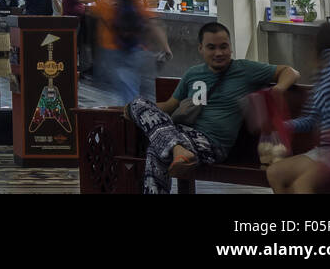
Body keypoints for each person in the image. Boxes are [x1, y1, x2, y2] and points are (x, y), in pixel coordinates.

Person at [126, 21, 298, 194]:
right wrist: (140, 110)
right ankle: (177, 148)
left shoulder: (245, 70)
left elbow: (290, 71)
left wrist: (278, 89)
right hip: (181, 134)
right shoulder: (193, 73)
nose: (219, 53)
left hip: (212, 144)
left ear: (231, 48)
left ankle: (175, 148)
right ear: (201, 49)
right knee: (137, 103)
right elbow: (170, 106)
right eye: (211, 47)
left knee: (157, 149)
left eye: (224, 47)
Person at [269, 22, 330, 194]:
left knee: (301, 185)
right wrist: (283, 126)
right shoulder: (319, 76)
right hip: (326, 150)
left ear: (315, 45)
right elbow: (311, 119)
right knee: (274, 173)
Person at [92, 0, 171, 102]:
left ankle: (131, 110)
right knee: (140, 86)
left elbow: (92, 14)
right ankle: (143, 107)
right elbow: (153, 23)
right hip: (136, 47)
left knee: (125, 89)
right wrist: (166, 48)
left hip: (112, 49)